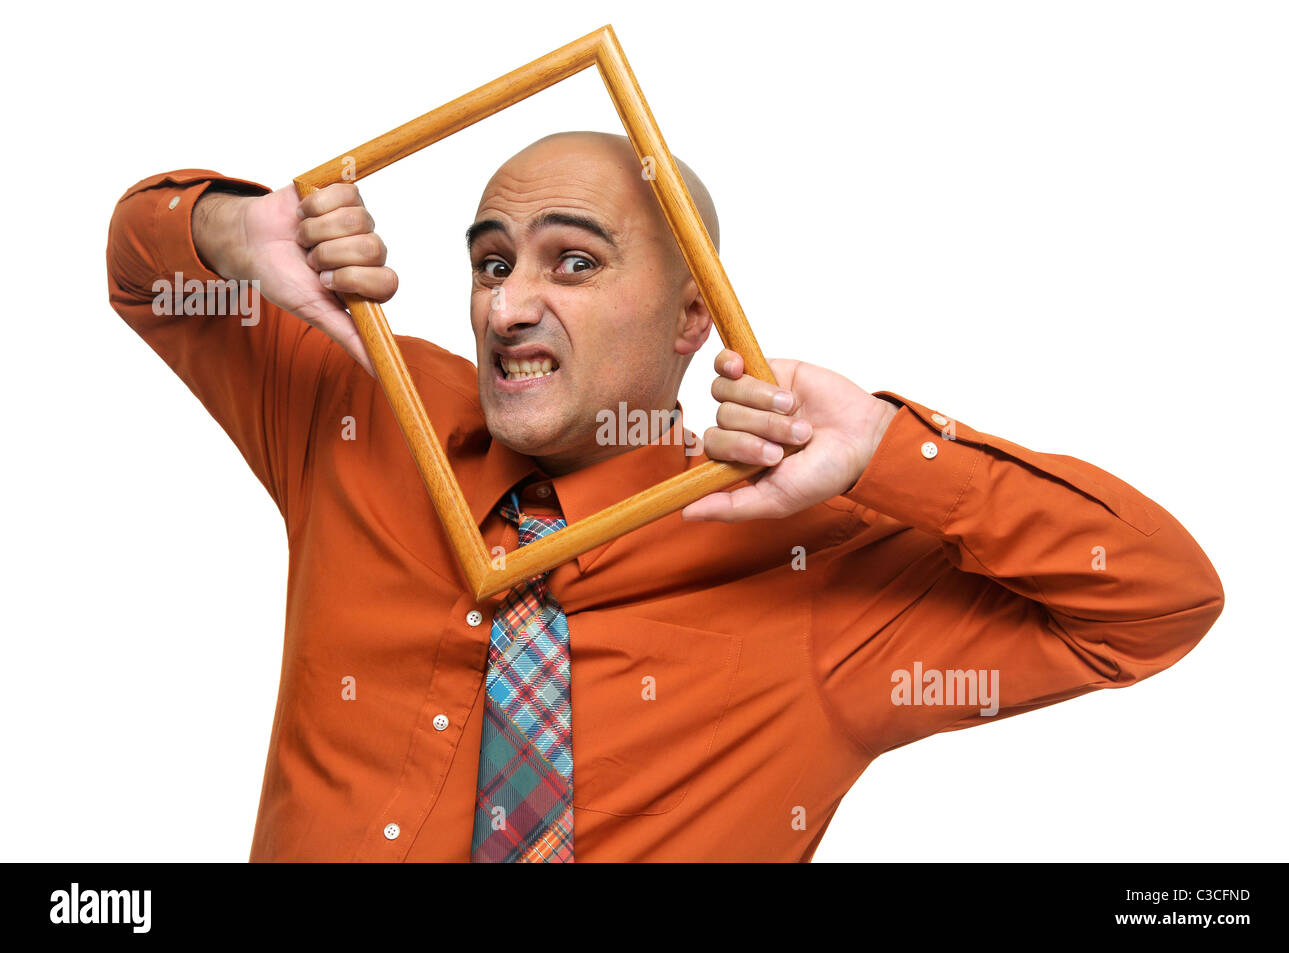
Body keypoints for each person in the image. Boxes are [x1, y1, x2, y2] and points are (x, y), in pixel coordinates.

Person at [105, 130, 1224, 862]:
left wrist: (890, 449)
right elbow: (140, 270)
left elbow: (1153, 599)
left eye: (573, 263)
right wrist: (232, 230)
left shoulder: (805, 564)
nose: (505, 308)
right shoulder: (364, 407)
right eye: (492, 262)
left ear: (695, 316)